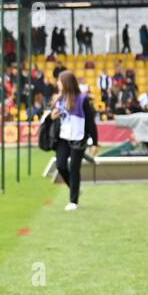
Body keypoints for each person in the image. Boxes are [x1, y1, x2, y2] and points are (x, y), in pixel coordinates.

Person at [49, 70, 98, 210]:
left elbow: (90, 122)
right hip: (63, 137)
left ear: (66, 83)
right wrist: (53, 116)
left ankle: (73, 200)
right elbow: (52, 116)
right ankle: (74, 188)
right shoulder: (59, 99)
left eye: (60, 80)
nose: (58, 83)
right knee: (60, 165)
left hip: (79, 138)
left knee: (74, 168)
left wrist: (94, 142)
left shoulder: (82, 99)